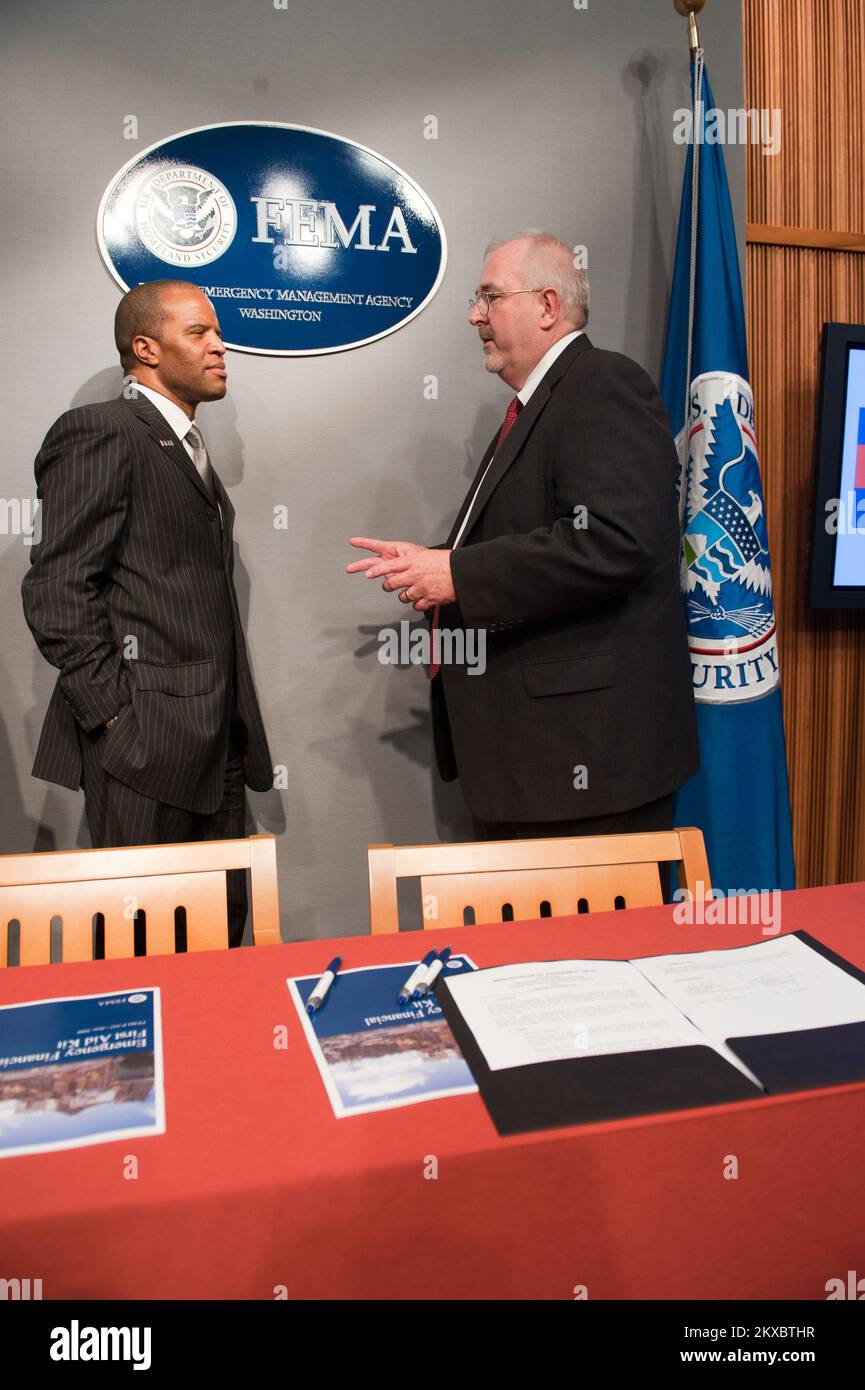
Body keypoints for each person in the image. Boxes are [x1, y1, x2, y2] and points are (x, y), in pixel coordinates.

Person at [347, 231, 698, 844]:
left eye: (489, 296)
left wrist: (456, 575)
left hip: (587, 768)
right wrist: (439, 563)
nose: (473, 314)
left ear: (546, 305)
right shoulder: (539, 404)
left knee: (595, 947)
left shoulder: (603, 386)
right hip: (535, 767)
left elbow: (615, 541)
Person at [22, 279, 273, 945]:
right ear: (146, 348)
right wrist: (113, 717)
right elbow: (56, 589)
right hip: (144, 746)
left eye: (217, 332)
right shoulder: (102, 432)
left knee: (220, 939)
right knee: (144, 951)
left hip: (217, 742)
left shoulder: (186, 448)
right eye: (199, 333)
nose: (221, 346)